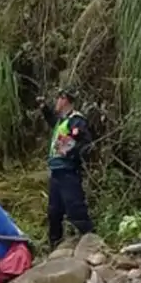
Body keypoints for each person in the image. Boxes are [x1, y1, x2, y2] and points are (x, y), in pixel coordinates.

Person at [39, 88, 94, 247]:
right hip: (56, 172)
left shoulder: (77, 121)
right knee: (54, 211)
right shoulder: (62, 121)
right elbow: (52, 121)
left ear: (65, 100)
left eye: (59, 99)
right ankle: (54, 245)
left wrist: (70, 151)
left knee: (75, 208)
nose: (56, 102)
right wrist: (44, 108)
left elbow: (85, 142)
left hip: (68, 171)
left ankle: (91, 242)